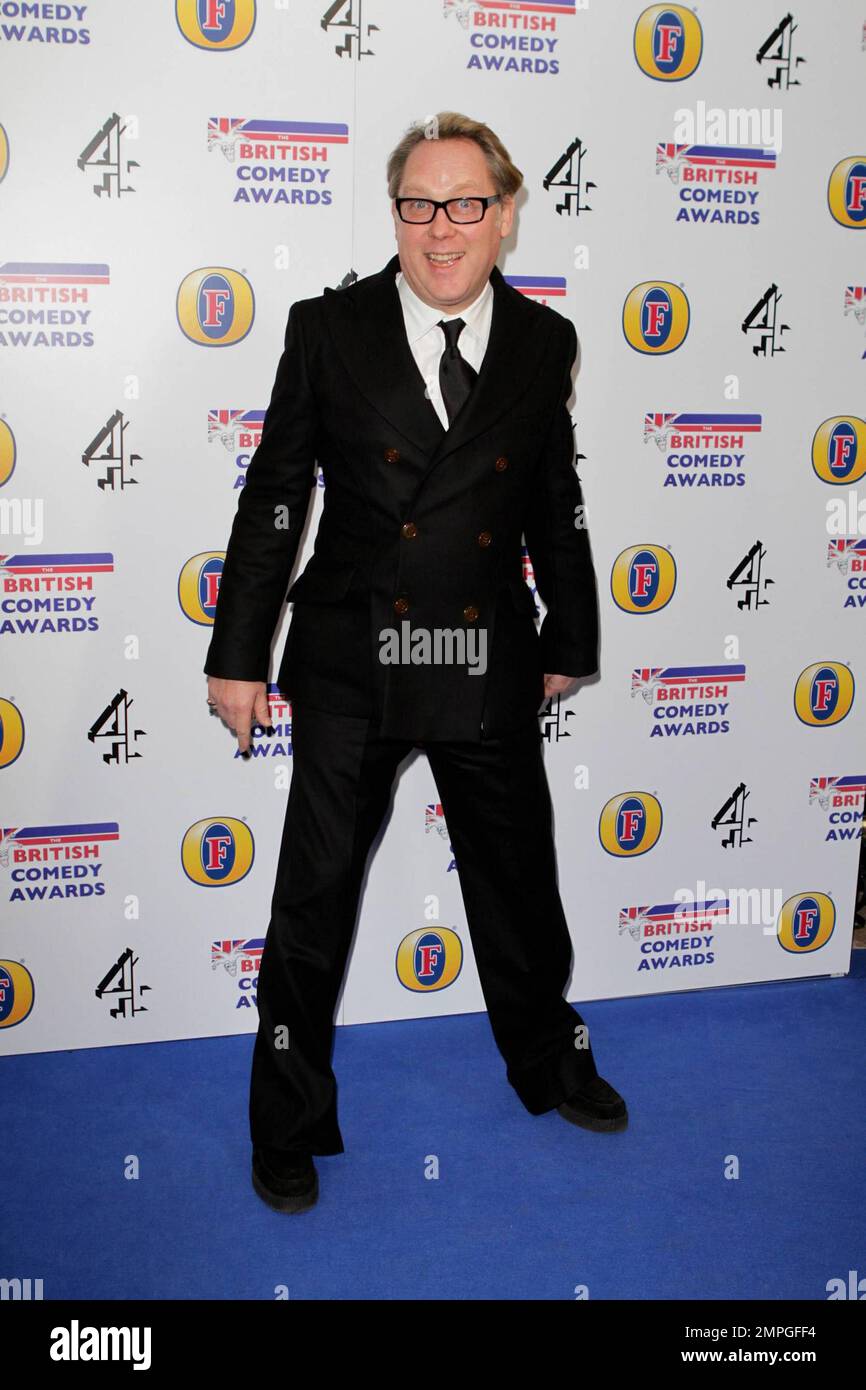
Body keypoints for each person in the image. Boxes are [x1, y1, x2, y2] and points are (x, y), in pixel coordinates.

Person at [204, 111, 626, 1214]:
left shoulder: (543, 342)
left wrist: (567, 638)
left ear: (505, 213)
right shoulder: (325, 328)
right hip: (354, 654)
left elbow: (553, 501)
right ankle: (286, 1117)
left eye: (465, 204)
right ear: (393, 213)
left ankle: (548, 1059)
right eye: (418, 205)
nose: (441, 230)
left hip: (482, 653)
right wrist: (238, 651)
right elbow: (276, 498)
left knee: (518, 885)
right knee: (314, 900)